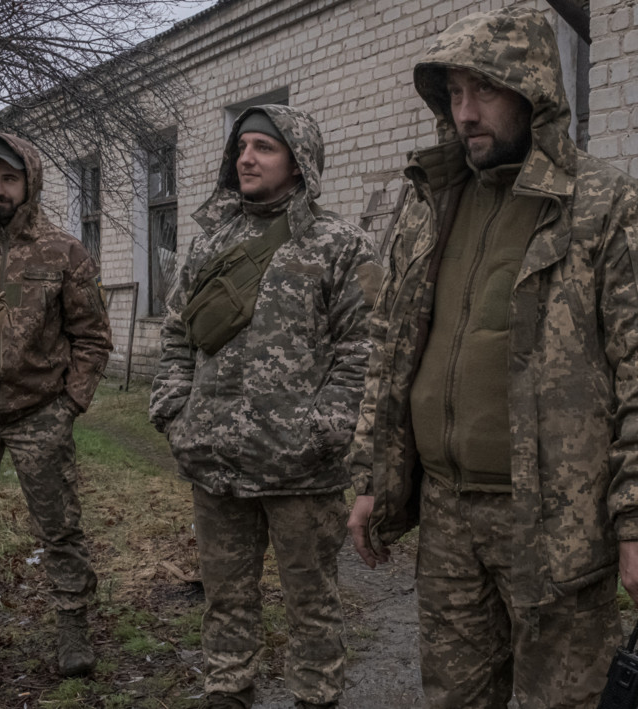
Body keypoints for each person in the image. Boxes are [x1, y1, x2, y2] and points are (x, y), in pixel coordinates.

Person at [346, 7, 638, 707]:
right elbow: (389, 352)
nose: (466, 113)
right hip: (448, 514)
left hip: (553, 524)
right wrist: (371, 478)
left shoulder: (601, 204)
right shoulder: (432, 203)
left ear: (533, 90)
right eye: (453, 94)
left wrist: (635, 519)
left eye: (485, 91)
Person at [150, 105, 379, 709]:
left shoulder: (340, 244)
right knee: (226, 599)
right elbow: (176, 336)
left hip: (302, 469)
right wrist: (177, 414)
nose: (246, 158)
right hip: (215, 461)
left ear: (299, 163)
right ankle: (227, 693)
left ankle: (317, 697)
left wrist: (326, 428)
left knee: (313, 602)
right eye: (242, 146)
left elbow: (365, 348)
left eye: (264, 148)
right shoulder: (209, 243)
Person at [0, 133, 113, 678]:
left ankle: (72, 628)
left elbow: (92, 336)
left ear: (29, 183)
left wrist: (70, 404)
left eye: (8, 179)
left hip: (41, 412)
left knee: (59, 526)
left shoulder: (63, 251)